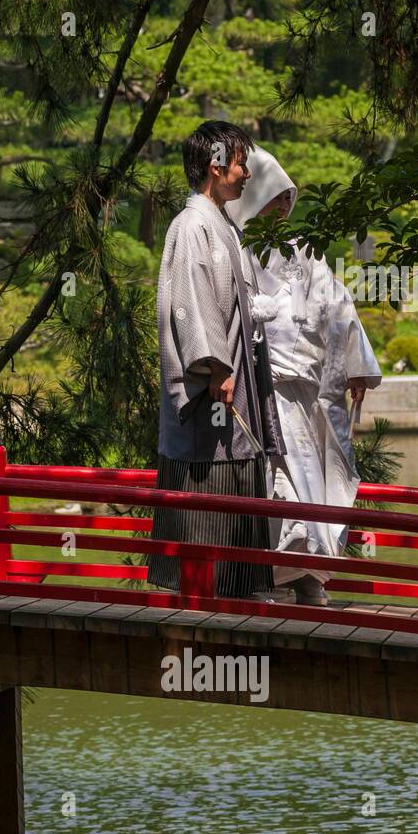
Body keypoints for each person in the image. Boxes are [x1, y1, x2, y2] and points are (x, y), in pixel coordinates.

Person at [224, 146, 382, 606]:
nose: (283, 209)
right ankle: (266, 580)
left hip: (305, 394)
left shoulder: (301, 255)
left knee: (312, 484)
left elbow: (337, 307)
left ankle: (306, 576)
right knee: (274, 484)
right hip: (257, 391)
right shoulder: (232, 252)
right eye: (275, 199)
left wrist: (355, 368)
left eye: (287, 201)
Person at [146, 122, 287, 600]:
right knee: (210, 486)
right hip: (214, 392)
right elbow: (191, 304)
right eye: (241, 163)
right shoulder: (191, 226)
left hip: (234, 386)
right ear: (217, 164)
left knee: (237, 477)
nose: (247, 174)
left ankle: (238, 588)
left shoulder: (221, 222)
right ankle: (207, 594)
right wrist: (217, 369)